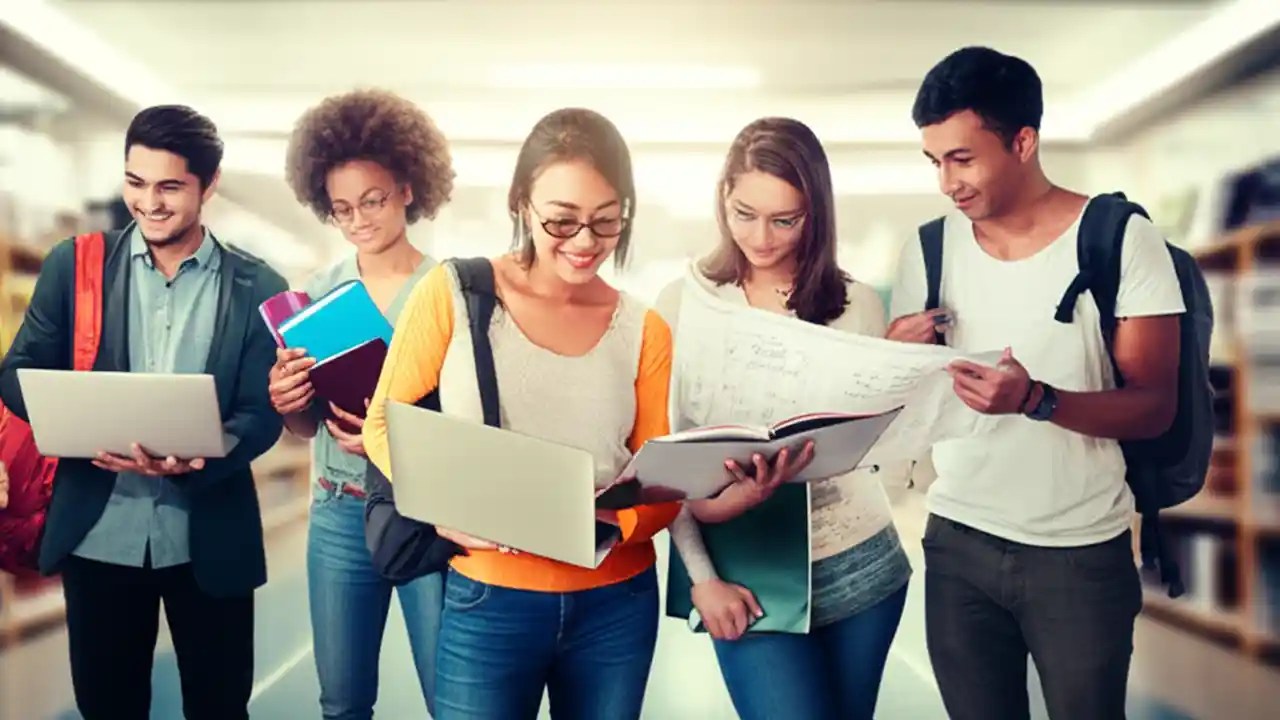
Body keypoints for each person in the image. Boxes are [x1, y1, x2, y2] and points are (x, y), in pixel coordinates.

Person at [887, 46, 1185, 720]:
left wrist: (1036, 399)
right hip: (958, 542)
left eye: (962, 158)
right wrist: (891, 361)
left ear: (1023, 142)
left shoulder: (1118, 238)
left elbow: (1155, 407)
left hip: (1079, 554)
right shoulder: (928, 250)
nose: (947, 183)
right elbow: (907, 412)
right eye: (934, 162)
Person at [363, 107, 682, 720]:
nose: (585, 242)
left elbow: (662, 482)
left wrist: (614, 523)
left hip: (616, 605)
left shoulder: (644, 328)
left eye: (606, 220)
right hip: (490, 599)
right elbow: (384, 424)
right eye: (562, 221)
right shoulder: (453, 294)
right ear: (520, 205)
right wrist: (444, 508)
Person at [0, 105, 288, 720]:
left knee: (219, 707)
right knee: (108, 707)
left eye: (169, 188)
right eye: (135, 182)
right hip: (98, 533)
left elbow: (262, 413)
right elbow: (16, 373)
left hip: (209, 537)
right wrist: (81, 418)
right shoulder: (74, 267)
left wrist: (205, 452)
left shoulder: (259, 287)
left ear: (209, 185)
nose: (148, 203)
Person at [655, 117, 913, 720]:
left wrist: (900, 371)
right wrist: (701, 577)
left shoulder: (856, 305)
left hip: (864, 565)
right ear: (723, 197)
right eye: (744, 214)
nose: (761, 238)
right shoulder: (683, 304)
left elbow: (887, 451)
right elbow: (661, 460)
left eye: (784, 220)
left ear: (814, 212)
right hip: (745, 572)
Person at [268, 88, 454, 720]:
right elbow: (304, 425)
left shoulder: (447, 289)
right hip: (338, 509)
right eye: (341, 208)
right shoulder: (317, 294)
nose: (358, 221)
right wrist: (287, 398)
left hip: (423, 508)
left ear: (407, 187)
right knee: (342, 701)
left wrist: (386, 438)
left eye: (372, 200)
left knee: (450, 696)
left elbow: (468, 416)